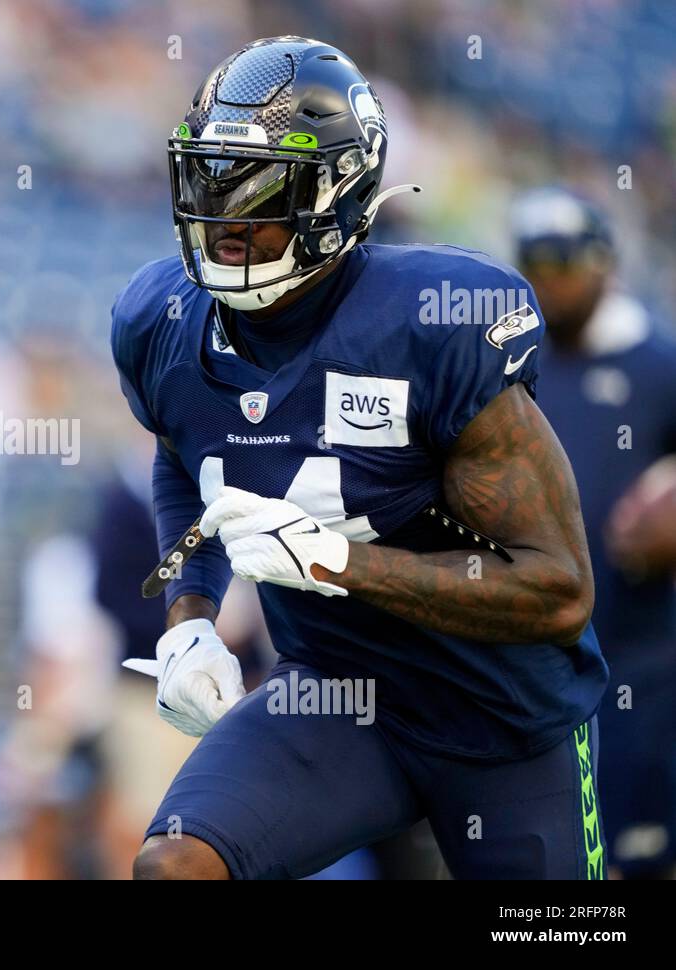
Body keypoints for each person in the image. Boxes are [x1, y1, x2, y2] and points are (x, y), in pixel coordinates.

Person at [111, 37, 606, 879]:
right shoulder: (159, 322)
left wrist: (338, 561)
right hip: (334, 697)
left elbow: (557, 590)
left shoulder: (434, 322)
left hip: (503, 718)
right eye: (211, 178)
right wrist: (190, 618)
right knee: (174, 867)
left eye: (260, 190)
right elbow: (184, 457)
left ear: (339, 193)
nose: (225, 219)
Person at [514, 187, 676, 878]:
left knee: (636, 855)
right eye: (534, 265)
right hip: (537, 659)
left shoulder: (656, 362)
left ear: (603, 263)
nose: (549, 282)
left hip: (641, 655)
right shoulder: (514, 360)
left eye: (563, 263)